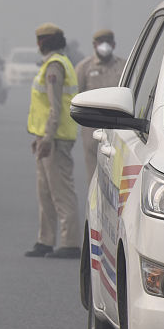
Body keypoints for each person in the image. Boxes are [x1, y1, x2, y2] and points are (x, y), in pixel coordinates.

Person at [24, 22, 80, 259]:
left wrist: (47, 137)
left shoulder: (55, 66)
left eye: (39, 40)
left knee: (60, 192)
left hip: (55, 138)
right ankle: (45, 240)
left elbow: (55, 108)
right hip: (46, 137)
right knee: (45, 192)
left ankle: (70, 243)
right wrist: (40, 137)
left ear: (44, 42)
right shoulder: (52, 64)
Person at [74, 29, 126, 184]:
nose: (104, 45)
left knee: (117, 175)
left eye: (108, 42)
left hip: (119, 127)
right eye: (100, 42)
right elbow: (75, 96)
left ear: (114, 44)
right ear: (94, 45)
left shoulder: (123, 66)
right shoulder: (84, 68)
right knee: (94, 175)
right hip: (92, 129)